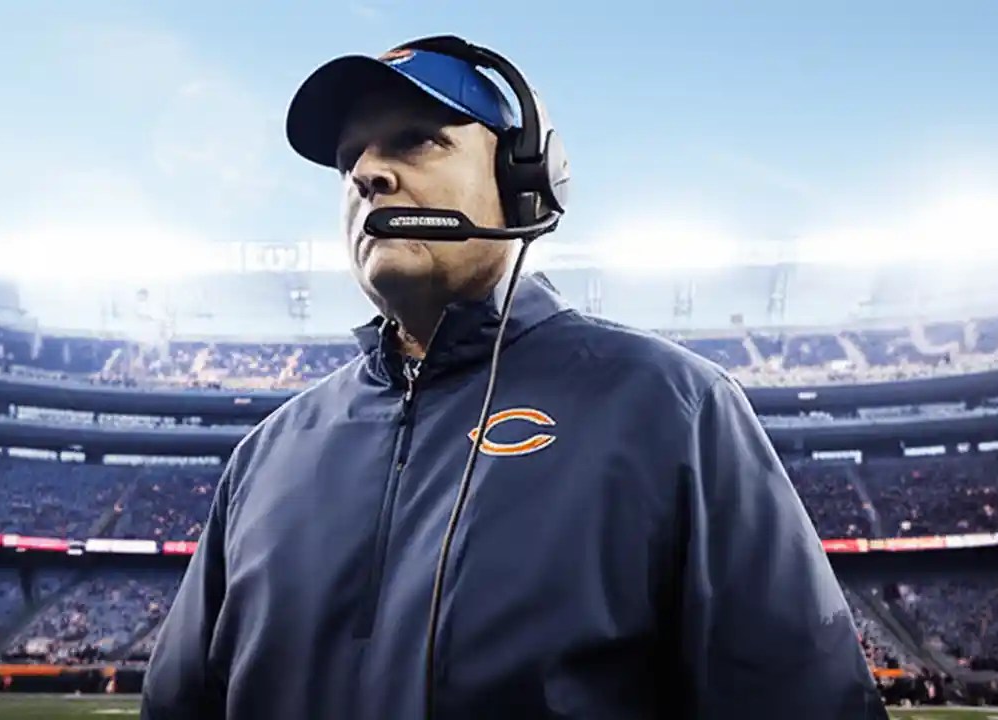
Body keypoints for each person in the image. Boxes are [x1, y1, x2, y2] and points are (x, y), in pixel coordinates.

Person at [142, 36, 887, 719]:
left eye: (417, 140)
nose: (368, 172)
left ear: (523, 178)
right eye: (349, 162)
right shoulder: (265, 457)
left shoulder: (670, 406)